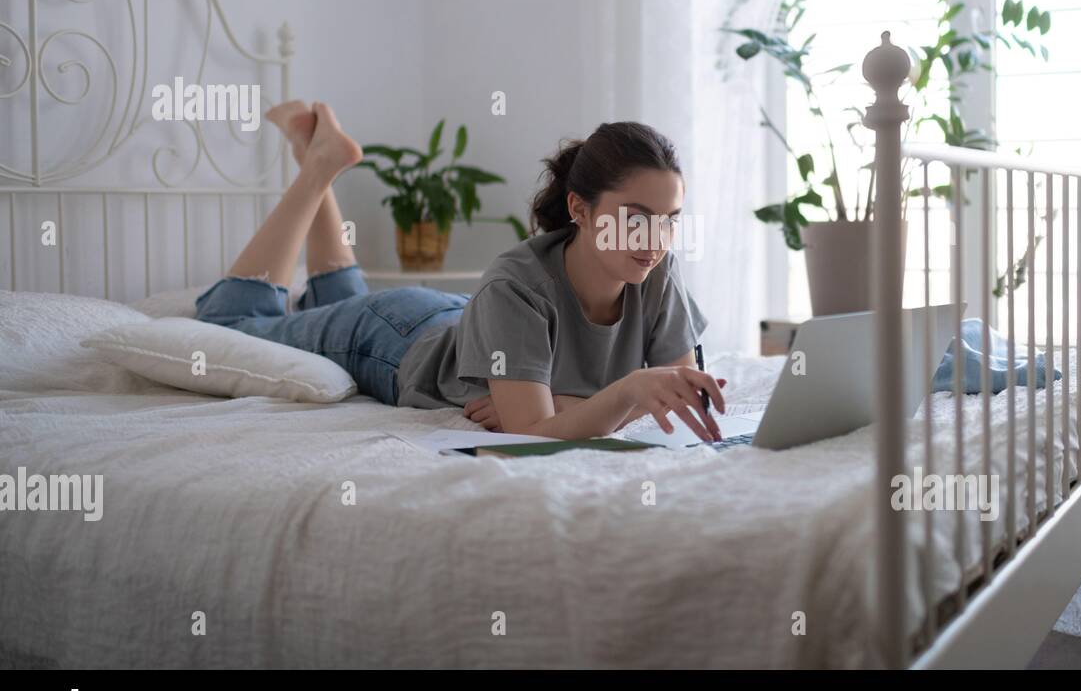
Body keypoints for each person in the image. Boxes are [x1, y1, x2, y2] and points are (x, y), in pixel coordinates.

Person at [195, 102, 726, 442]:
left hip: (463, 326)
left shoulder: (658, 272)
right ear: (580, 210)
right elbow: (536, 432)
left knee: (330, 298)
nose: (655, 242)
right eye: (637, 219)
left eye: (670, 222)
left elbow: (678, 398)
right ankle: (316, 169)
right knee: (226, 322)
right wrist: (611, 395)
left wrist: (567, 403)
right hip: (393, 338)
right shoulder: (518, 283)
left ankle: (320, 153)